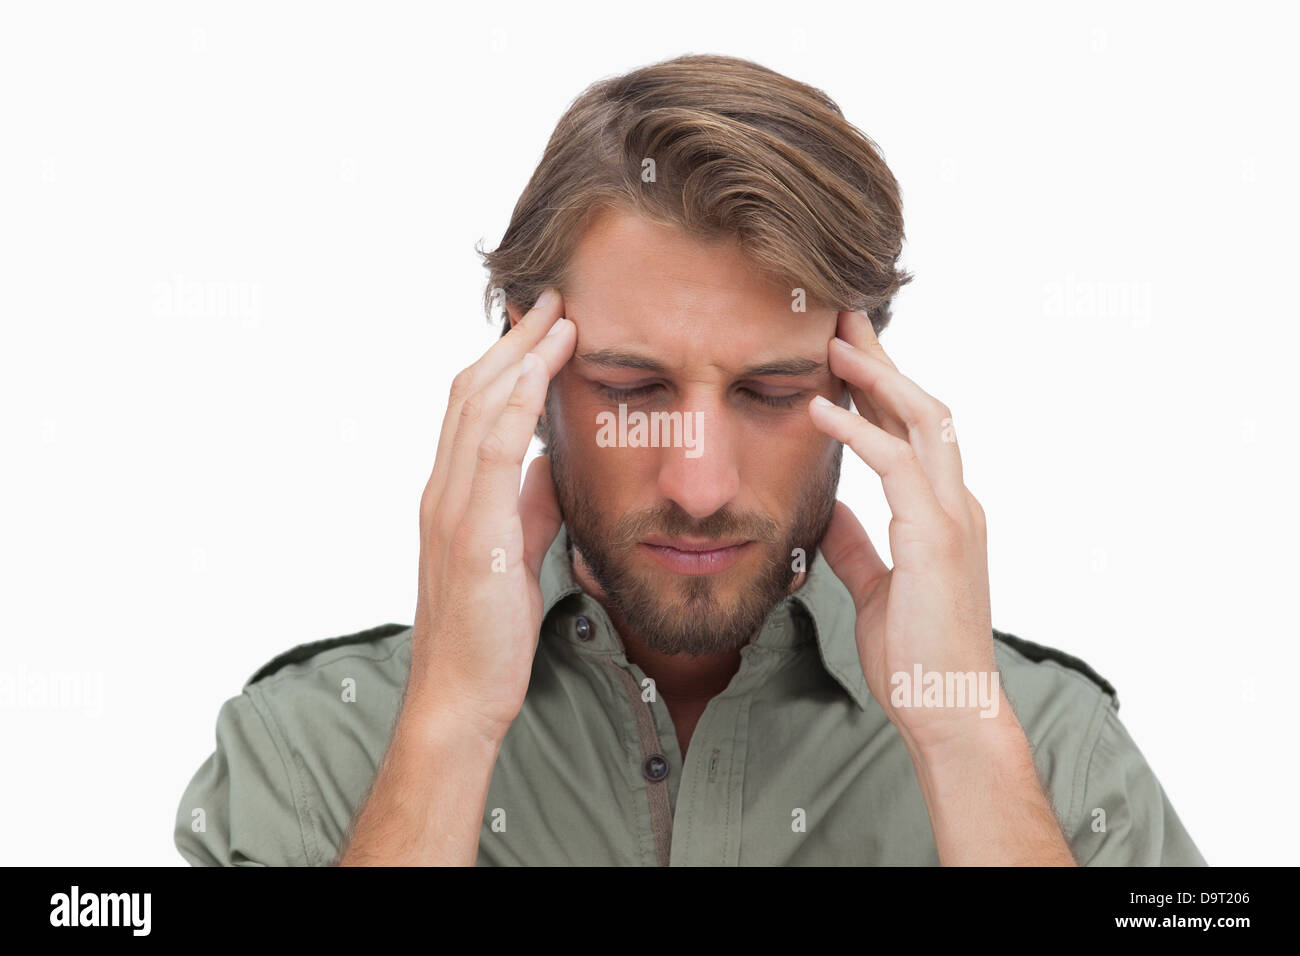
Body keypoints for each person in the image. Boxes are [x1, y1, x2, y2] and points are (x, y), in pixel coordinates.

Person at [175, 53, 1205, 866]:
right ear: (517, 383)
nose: (698, 483)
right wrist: (445, 727)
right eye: (629, 388)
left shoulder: (1053, 753)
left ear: (863, 384)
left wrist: (967, 744)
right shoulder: (304, 751)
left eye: (771, 393)